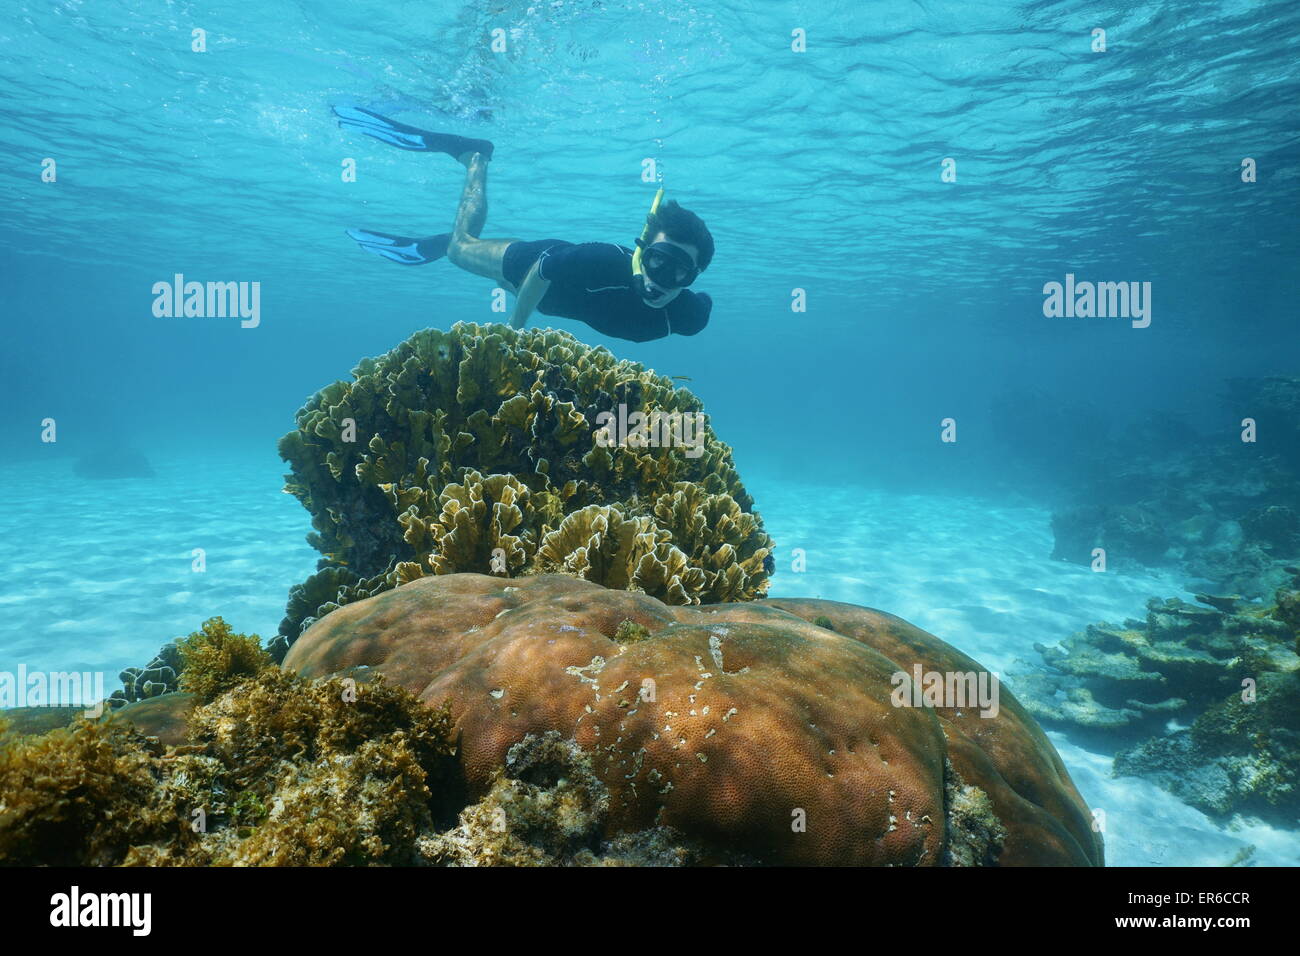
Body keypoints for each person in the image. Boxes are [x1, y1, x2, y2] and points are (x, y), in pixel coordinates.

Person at [334, 107, 713, 343]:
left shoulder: (687, 316)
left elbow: (705, 305)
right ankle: (475, 156)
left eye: (680, 273)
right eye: (659, 262)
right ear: (643, 250)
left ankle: (467, 243)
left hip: (554, 291)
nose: (660, 281)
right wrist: (516, 325)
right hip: (536, 266)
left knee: (500, 278)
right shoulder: (604, 260)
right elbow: (545, 267)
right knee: (460, 249)